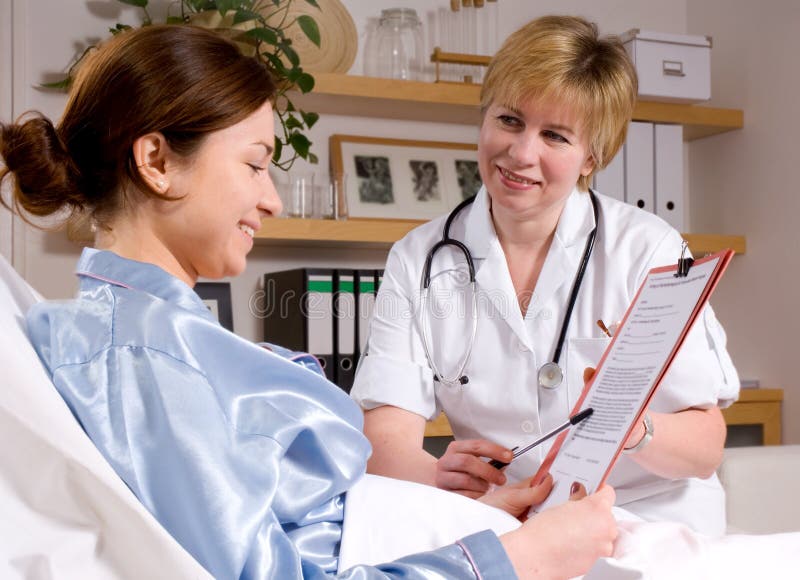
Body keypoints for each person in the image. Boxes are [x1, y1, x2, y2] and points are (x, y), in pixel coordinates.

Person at [0, 25, 618, 580]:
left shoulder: (158, 334)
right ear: (157, 161)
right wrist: (521, 561)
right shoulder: (143, 359)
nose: (272, 200)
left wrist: (460, 514)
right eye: (254, 165)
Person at [351, 15, 739, 538]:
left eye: (555, 135)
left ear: (591, 157)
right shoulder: (419, 259)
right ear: (484, 117)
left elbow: (705, 446)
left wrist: (634, 428)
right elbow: (385, 439)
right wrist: (439, 476)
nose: (522, 153)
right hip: (502, 520)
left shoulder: (649, 250)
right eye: (509, 120)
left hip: (646, 521)